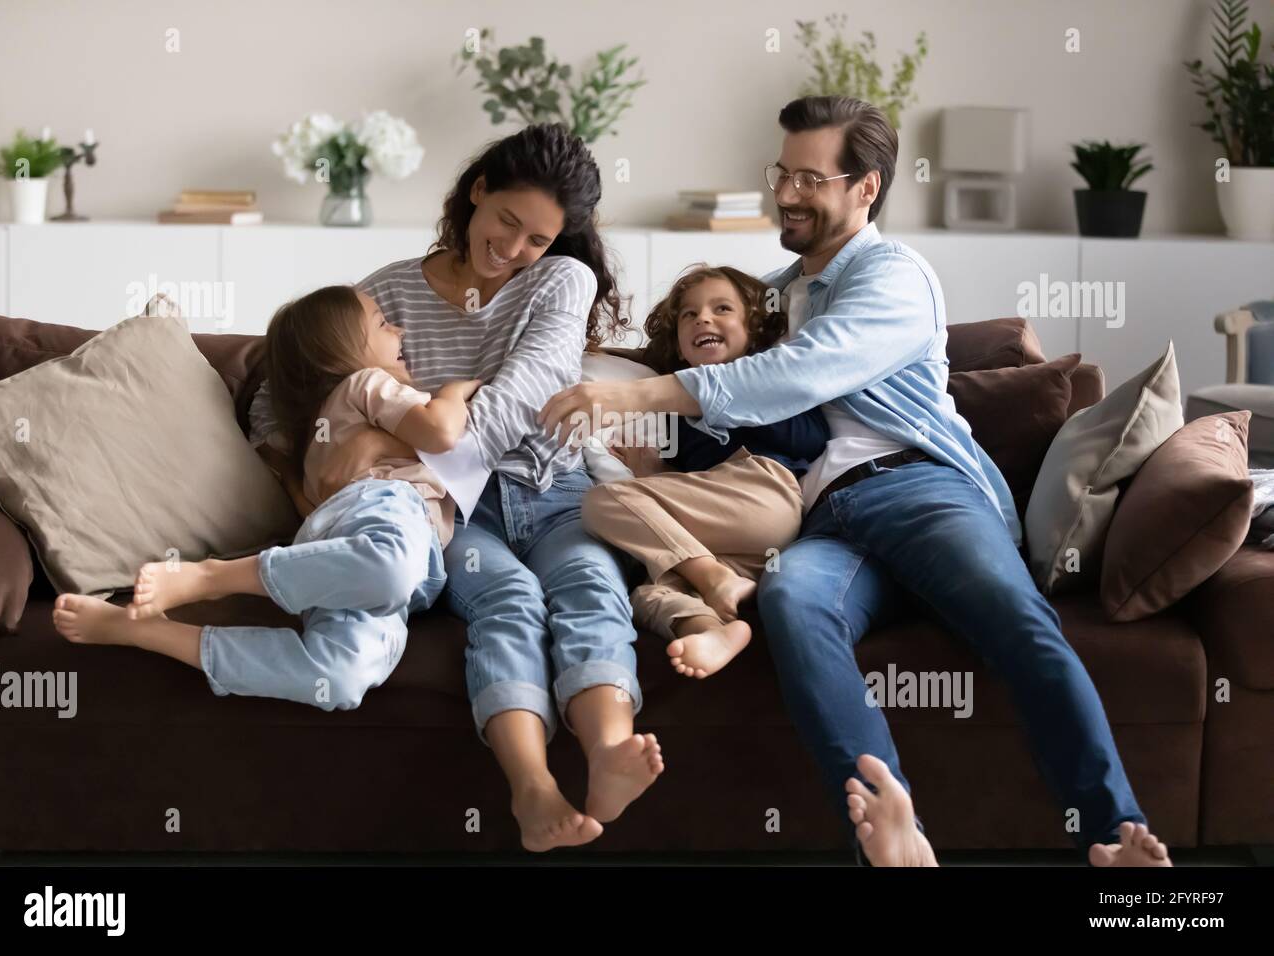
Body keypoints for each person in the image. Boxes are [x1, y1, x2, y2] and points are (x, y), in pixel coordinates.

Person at [540, 96, 1171, 867]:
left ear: (866, 187)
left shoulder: (894, 275)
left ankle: (1111, 832)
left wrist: (637, 396)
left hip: (919, 488)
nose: (786, 192)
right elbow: (697, 344)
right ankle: (891, 829)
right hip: (825, 521)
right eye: (782, 172)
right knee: (791, 602)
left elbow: (796, 371)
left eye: (810, 177)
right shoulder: (771, 293)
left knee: (1015, 617)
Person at [251, 124, 663, 852]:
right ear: (478, 191)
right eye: (507, 221)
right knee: (509, 601)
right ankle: (532, 790)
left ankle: (607, 756)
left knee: (592, 583)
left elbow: (522, 398)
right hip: (448, 514)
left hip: (554, 489)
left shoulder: (560, 281)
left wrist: (389, 435)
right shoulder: (385, 296)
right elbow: (273, 402)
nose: (513, 248)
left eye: (537, 237)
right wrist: (310, 485)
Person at [54, 284, 470, 713]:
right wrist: (456, 392)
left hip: (350, 555)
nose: (399, 330)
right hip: (382, 510)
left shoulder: (316, 426)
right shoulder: (368, 383)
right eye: (383, 324)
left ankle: (148, 632)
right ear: (341, 350)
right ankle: (208, 578)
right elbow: (443, 433)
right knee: (390, 568)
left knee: (338, 677)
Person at [581, 265, 826, 678]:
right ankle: (712, 629)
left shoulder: (768, 382)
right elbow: (689, 490)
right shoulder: (672, 410)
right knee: (649, 593)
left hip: (764, 494)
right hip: (724, 540)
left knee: (602, 502)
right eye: (688, 315)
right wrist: (655, 469)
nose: (703, 319)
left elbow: (809, 438)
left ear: (754, 331)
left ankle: (712, 579)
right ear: (678, 345)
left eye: (722, 308)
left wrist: (732, 398)